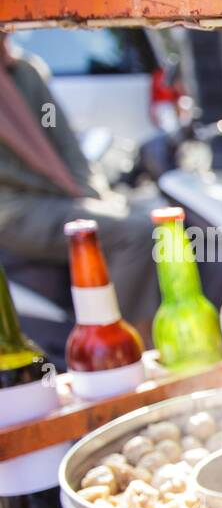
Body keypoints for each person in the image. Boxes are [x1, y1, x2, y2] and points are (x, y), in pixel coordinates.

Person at [0, 36, 159, 332]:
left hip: (61, 196)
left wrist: (91, 196)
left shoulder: (25, 72)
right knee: (137, 235)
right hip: (15, 212)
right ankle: (112, 342)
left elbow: (64, 142)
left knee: (153, 216)